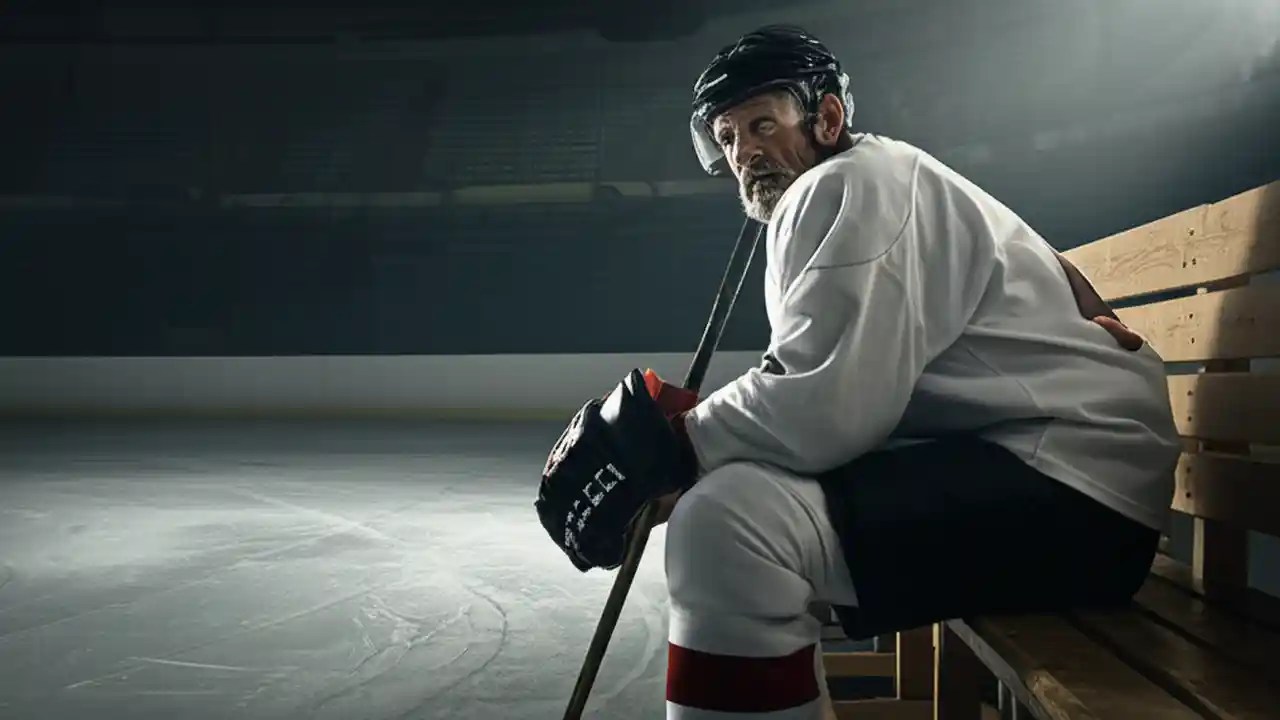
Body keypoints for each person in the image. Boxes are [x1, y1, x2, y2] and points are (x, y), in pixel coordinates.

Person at [535, 24, 1181, 720]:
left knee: (731, 528)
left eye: (762, 124)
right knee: (741, 498)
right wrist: (704, 445)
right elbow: (834, 391)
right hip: (1063, 476)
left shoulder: (845, 184)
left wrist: (682, 448)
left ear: (828, 118)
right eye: (728, 138)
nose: (744, 151)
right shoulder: (876, 177)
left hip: (1075, 500)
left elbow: (826, 409)